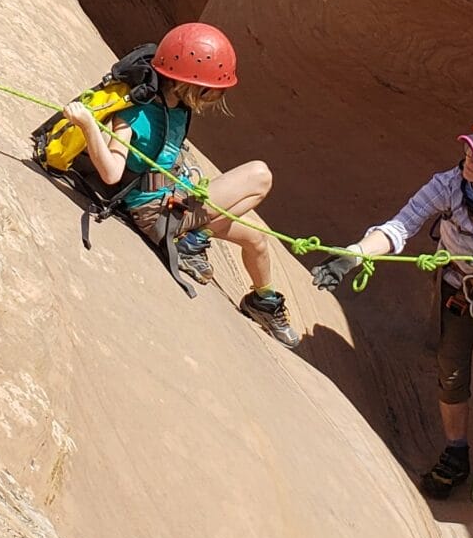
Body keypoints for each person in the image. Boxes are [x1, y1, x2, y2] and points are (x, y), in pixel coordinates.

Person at [313, 104, 473, 501]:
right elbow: (399, 227)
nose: (469, 162)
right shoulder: (447, 185)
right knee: (451, 371)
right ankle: (455, 452)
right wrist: (354, 254)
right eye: (469, 151)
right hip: (458, 290)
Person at [61, 23, 302, 349]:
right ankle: (192, 239)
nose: (218, 97)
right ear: (190, 82)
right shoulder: (136, 113)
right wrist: (89, 126)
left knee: (257, 240)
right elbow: (111, 172)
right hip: (156, 212)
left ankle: (262, 300)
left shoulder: (176, 108)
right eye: (213, 89)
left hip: (176, 201)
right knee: (259, 175)